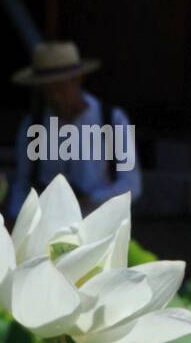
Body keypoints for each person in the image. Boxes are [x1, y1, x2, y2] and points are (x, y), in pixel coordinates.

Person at [10, 41, 141, 217]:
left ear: (77, 79)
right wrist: (16, 220)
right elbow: (23, 185)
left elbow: (131, 185)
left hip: (100, 222)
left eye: (60, 86)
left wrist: (89, 200)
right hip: (47, 225)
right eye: (47, 88)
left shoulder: (112, 120)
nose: (55, 95)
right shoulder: (33, 125)